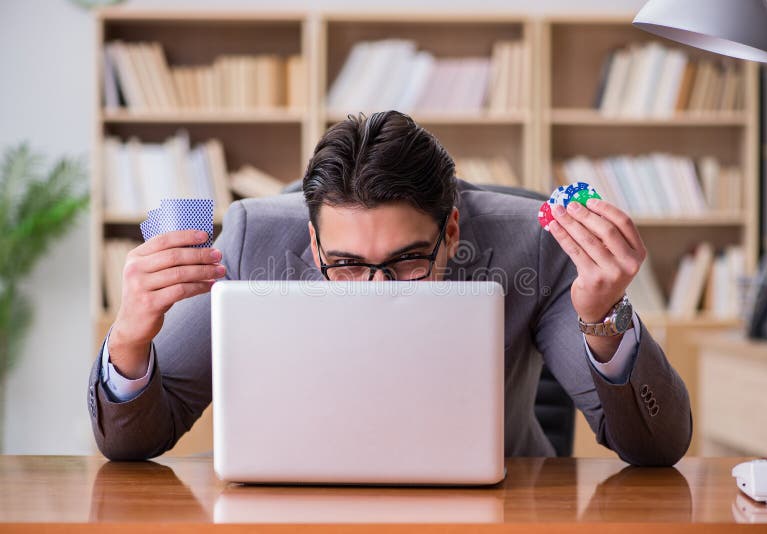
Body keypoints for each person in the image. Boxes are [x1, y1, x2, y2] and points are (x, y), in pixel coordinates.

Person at [87, 110, 691, 465]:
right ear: (313, 240)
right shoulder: (251, 239)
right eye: (345, 264)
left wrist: (604, 317)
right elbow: (137, 440)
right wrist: (131, 340)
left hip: (499, 509)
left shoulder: (529, 245)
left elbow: (654, 448)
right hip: (299, 510)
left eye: (406, 262)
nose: (374, 290)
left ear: (451, 227)